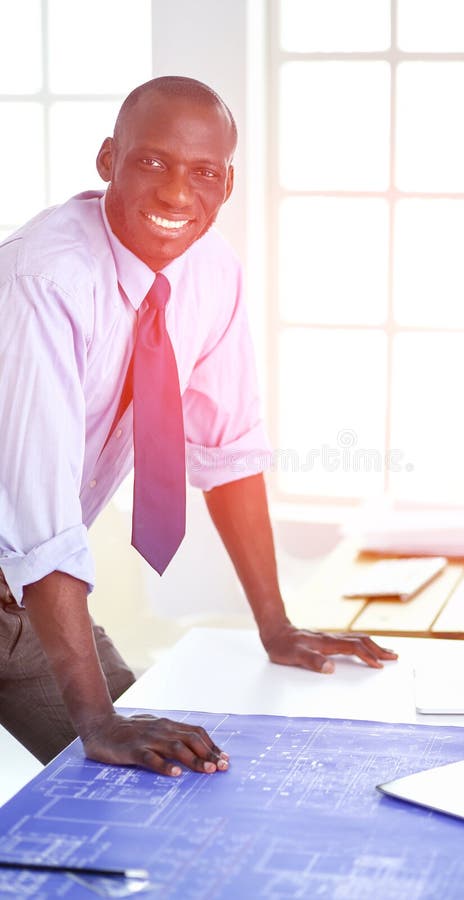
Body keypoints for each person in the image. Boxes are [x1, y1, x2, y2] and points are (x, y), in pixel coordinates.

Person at [0, 75, 397, 778]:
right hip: (29, 561)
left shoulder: (210, 274)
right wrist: (95, 720)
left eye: (203, 172)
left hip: (20, 593)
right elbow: (38, 515)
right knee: (109, 745)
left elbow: (230, 450)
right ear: (107, 161)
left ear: (228, 183)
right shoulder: (46, 277)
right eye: (152, 162)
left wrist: (276, 627)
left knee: (162, 779)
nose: (178, 194)